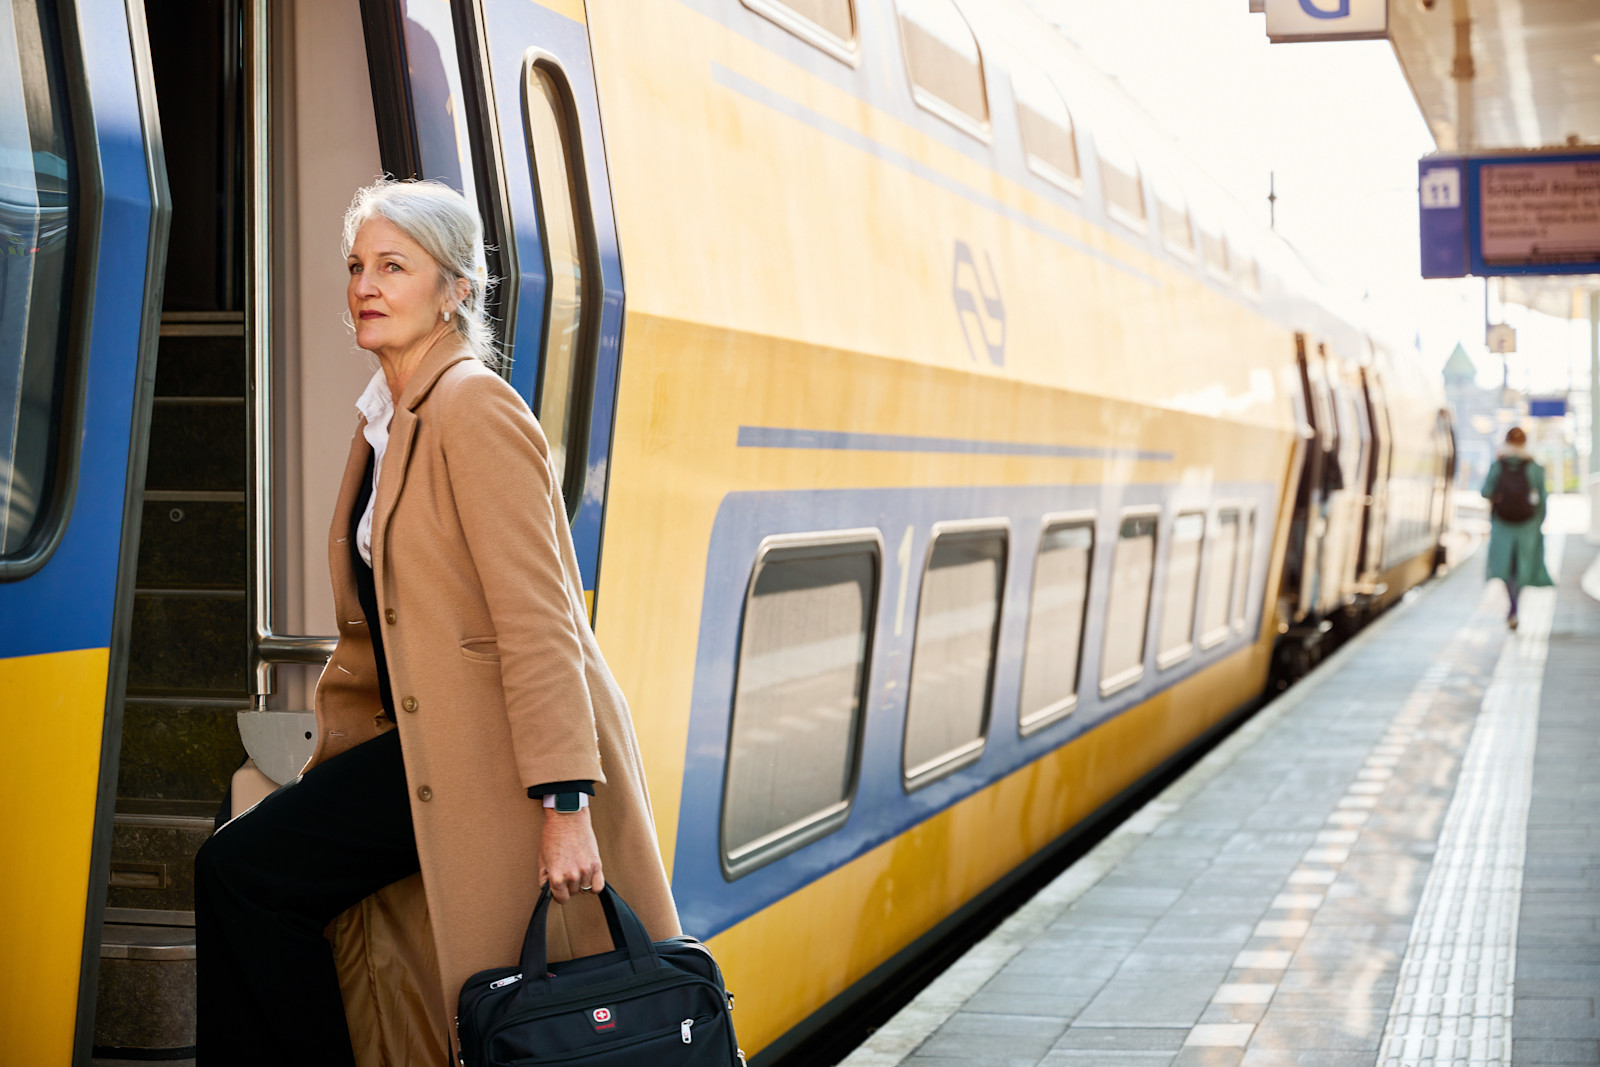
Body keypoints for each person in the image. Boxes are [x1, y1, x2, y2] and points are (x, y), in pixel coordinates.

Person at [194, 178, 679, 1066]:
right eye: (355, 267)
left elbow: (541, 622)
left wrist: (566, 801)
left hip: (497, 755)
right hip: (428, 747)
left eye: (393, 266)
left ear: (455, 288)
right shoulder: (386, 420)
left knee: (242, 874)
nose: (365, 286)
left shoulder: (474, 408)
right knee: (251, 874)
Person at [1480, 425, 1552, 630]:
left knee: (1506, 568)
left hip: (1503, 525)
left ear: (1507, 442)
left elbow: (1485, 492)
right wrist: (1538, 522)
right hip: (1527, 526)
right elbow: (1543, 499)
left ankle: (1511, 607)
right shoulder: (1534, 467)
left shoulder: (1499, 464)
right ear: (1525, 443)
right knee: (1521, 568)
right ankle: (1515, 608)